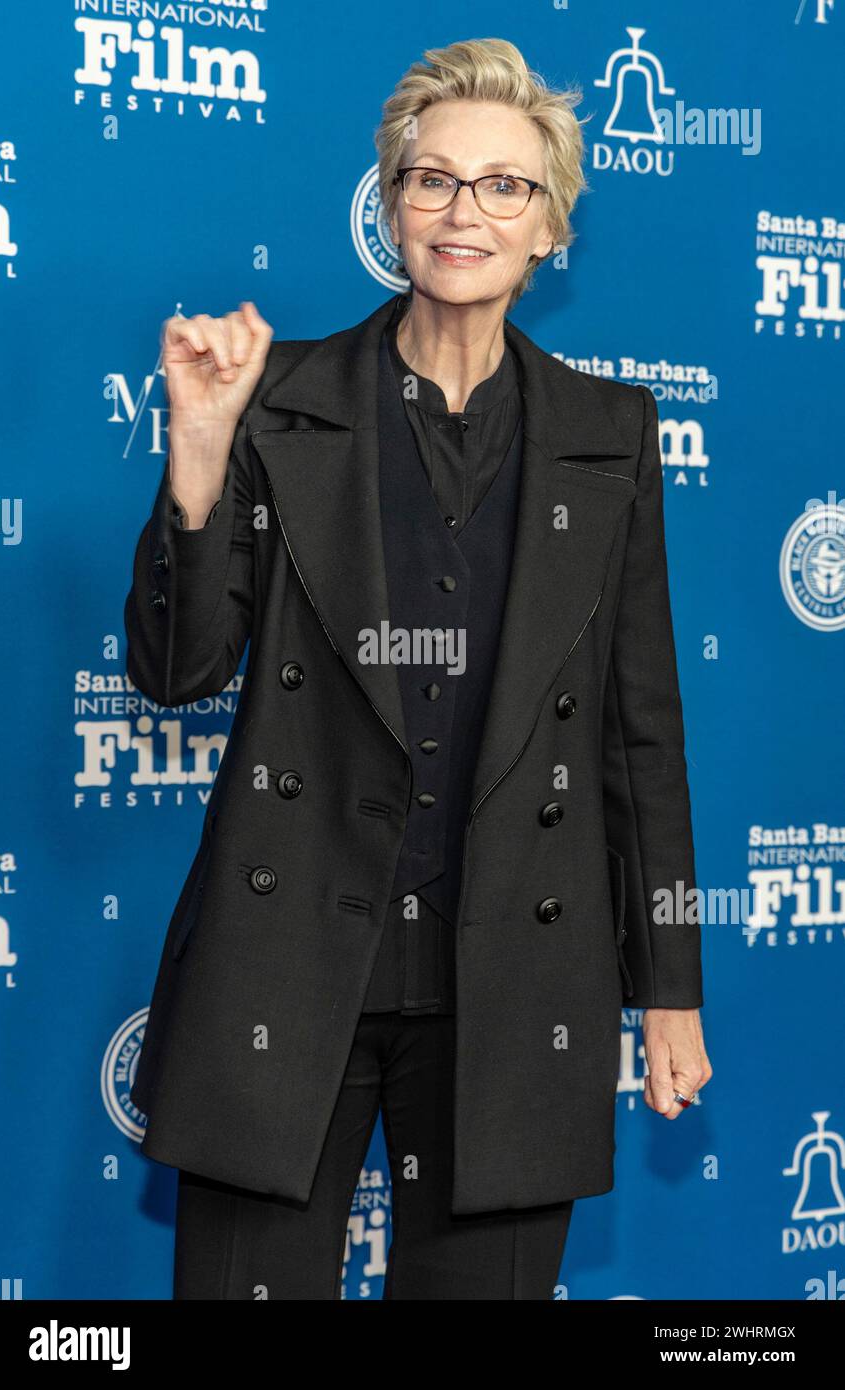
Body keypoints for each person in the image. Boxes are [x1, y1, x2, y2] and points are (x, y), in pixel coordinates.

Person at [126, 37, 712, 1301]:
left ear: (549, 224)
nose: (465, 211)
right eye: (434, 179)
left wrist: (668, 988)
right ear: (388, 205)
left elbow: (637, 732)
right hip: (283, 972)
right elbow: (178, 673)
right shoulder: (274, 402)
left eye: (503, 186)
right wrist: (197, 465)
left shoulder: (610, 434)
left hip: (511, 986)